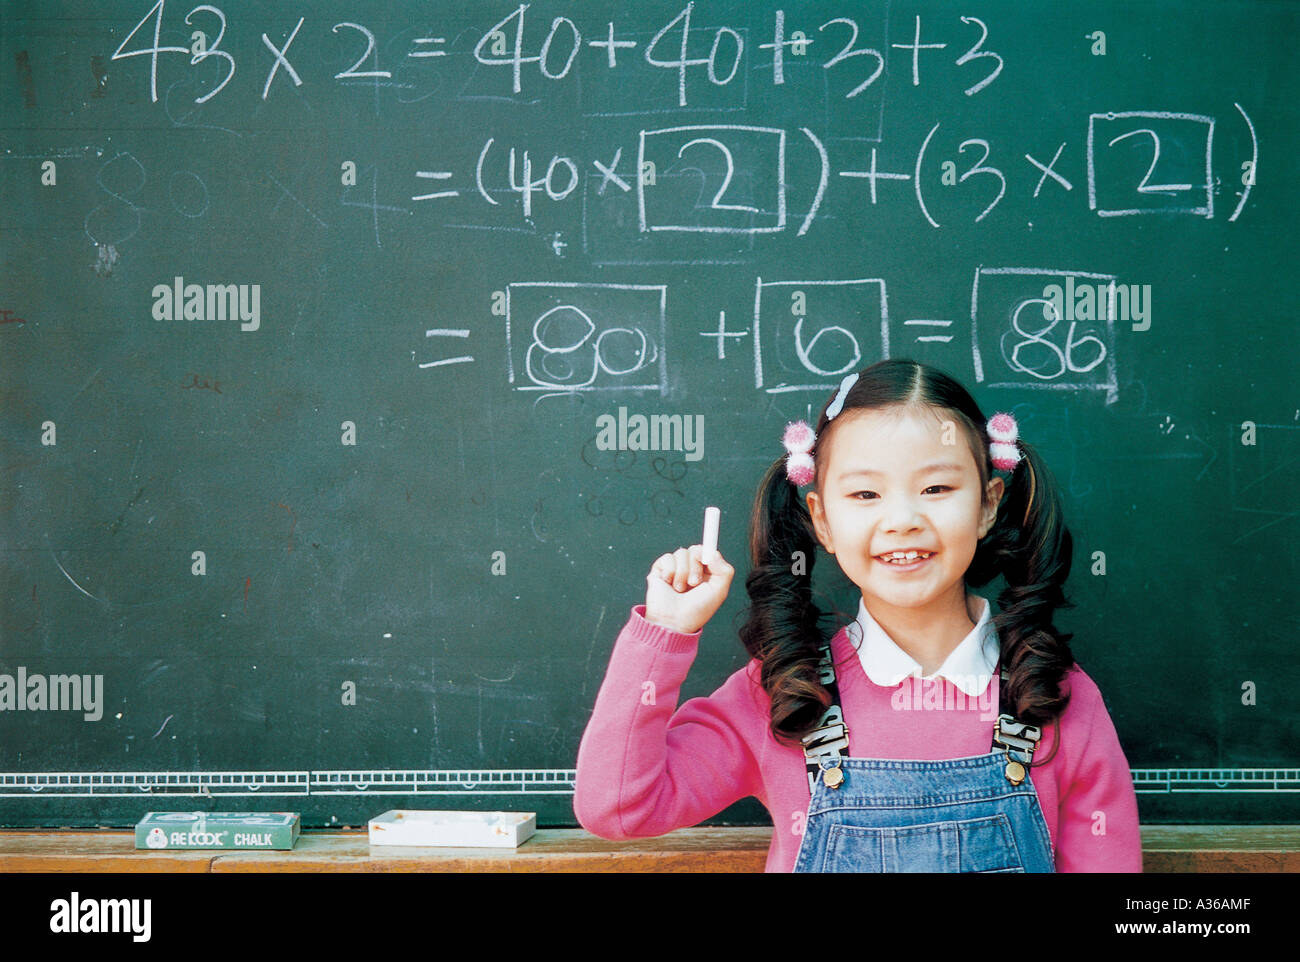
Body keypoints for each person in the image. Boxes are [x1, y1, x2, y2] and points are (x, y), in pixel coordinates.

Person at [573, 358, 1141, 872]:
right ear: (820, 518)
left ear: (989, 503)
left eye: (937, 487)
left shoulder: (1058, 700)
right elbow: (618, 809)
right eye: (866, 495)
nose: (901, 520)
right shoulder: (782, 695)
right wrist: (665, 634)